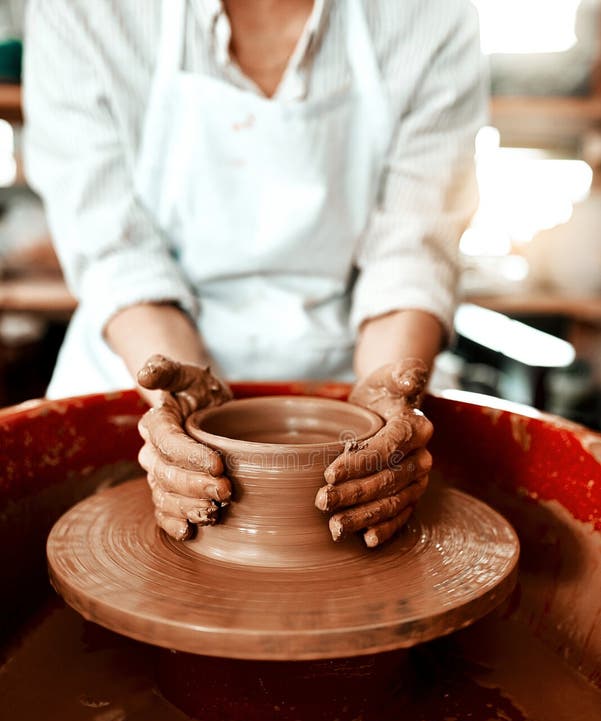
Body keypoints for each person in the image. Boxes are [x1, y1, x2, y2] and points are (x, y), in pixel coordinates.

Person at [24, 0, 485, 547]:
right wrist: (185, 409)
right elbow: (115, 251)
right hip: (151, 371)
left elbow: (411, 250)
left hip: (352, 376)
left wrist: (382, 410)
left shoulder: (430, 15)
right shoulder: (83, 10)